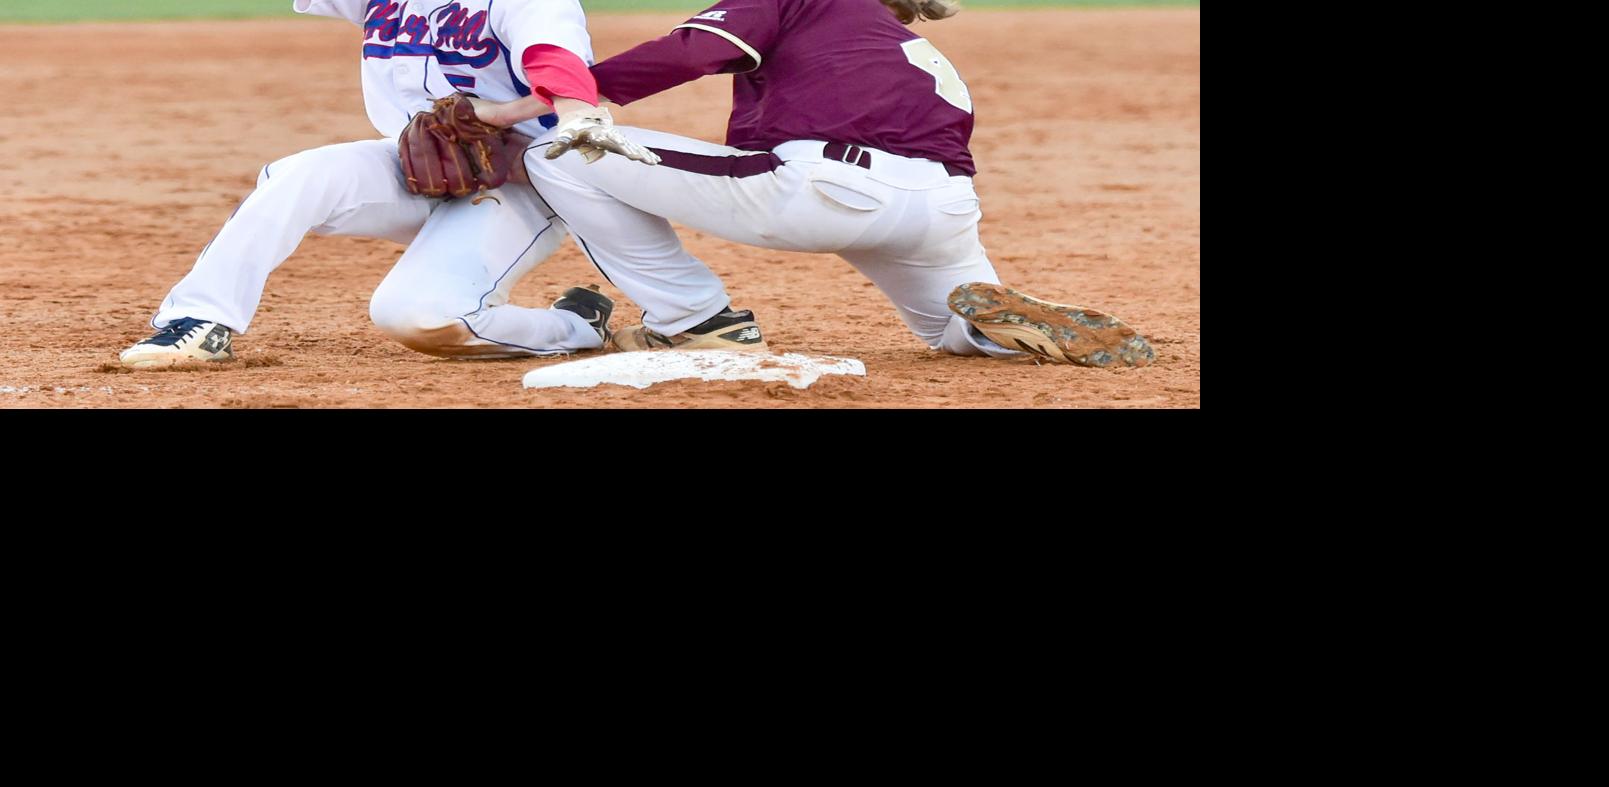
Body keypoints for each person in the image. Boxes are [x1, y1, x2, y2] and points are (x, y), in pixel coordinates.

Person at [477, 0, 1154, 367]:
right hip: (942, 207)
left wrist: (519, 110)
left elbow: (693, 51)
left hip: (822, 190)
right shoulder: (891, 39)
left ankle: (693, 322)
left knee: (558, 153)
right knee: (948, 328)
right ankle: (988, 331)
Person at [118, 0, 654, 368]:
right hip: (412, 168)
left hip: (518, 182)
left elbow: (563, 71)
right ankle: (200, 321)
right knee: (298, 174)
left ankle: (576, 325)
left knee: (420, 318)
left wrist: (497, 114)